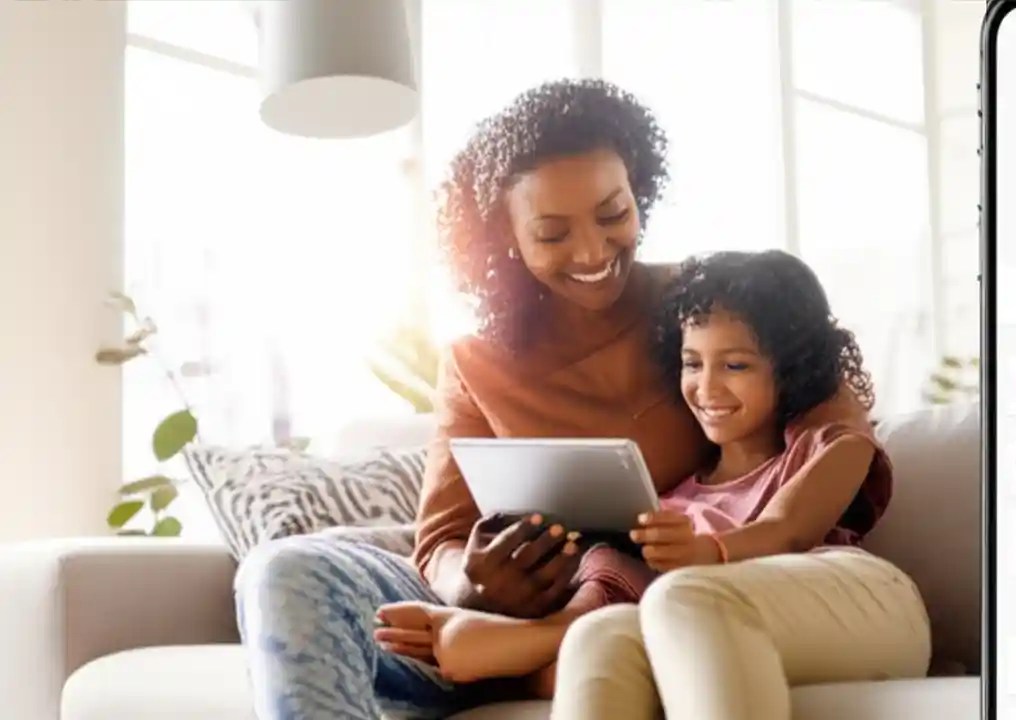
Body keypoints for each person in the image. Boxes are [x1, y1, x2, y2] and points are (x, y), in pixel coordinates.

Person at [233, 78, 889, 720]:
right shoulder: (475, 363)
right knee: (284, 570)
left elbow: (837, 428)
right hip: (490, 616)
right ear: (507, 237)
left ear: (639, 191)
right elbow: (438, 543)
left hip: (642, 610)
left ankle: (530, 649)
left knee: (605, 634)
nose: (593, 250)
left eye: (614, 215)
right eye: (552, 234)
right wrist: (474, 583)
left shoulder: (713, 310)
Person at [371, 250, 932, 710]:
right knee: (602, 631)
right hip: (702, 619)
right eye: (692, 363)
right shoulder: (677, 500)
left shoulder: (828, 445)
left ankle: (529, 641)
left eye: (735, 365)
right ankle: (542, 641)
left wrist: (708, 553)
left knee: (678, 594)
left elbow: (790, 530)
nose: (707, 387)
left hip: (848, 594)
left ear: (792, 370)